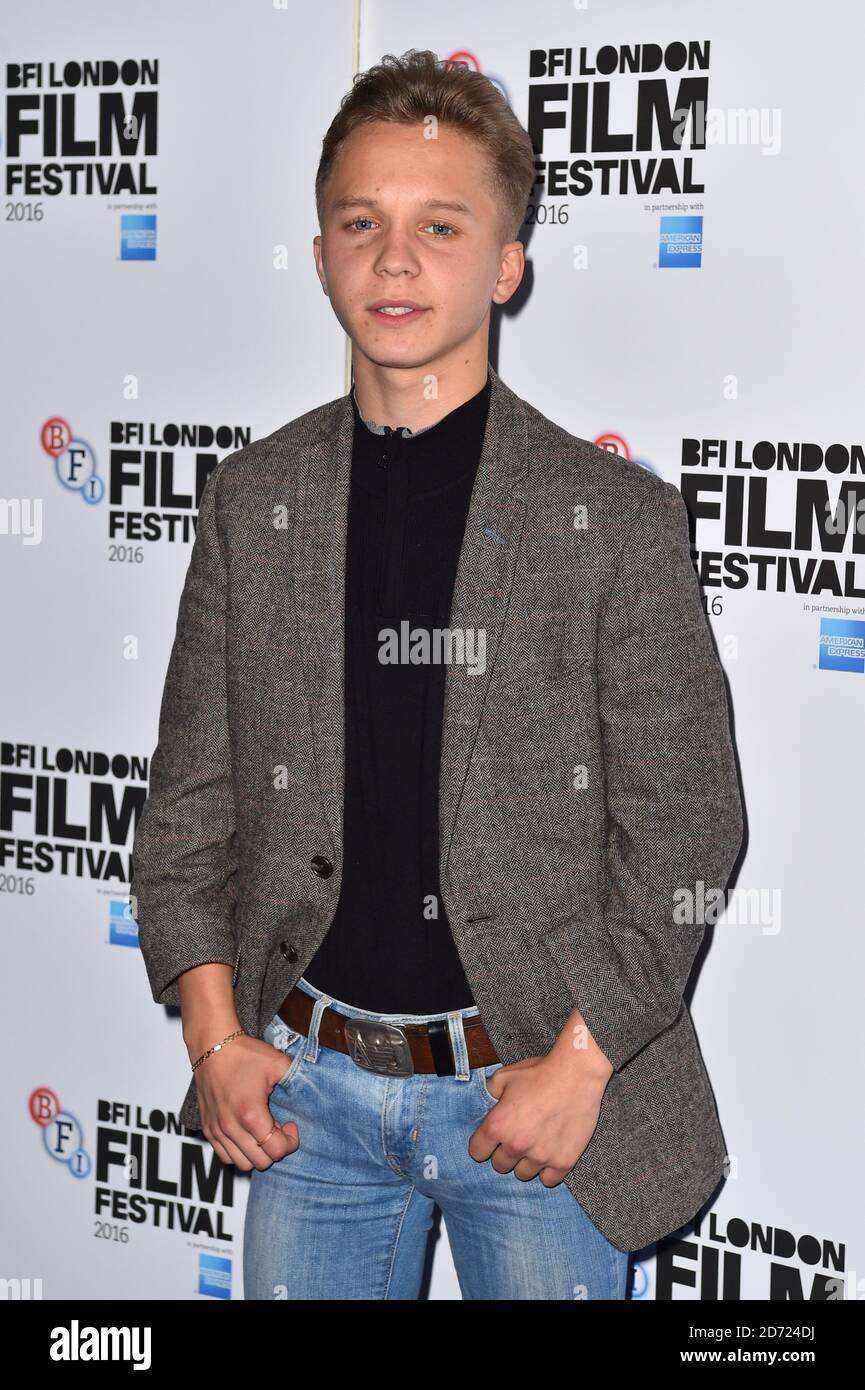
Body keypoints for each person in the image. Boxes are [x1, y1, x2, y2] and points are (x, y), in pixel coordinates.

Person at [131, 49, 744, 1301]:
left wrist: (582, 1066)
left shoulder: (610, 518)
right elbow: (188, 810)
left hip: (533, 1110)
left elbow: (688, 830)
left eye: (440, 226)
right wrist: (214, 1039)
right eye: (361, 223)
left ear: (507, 265)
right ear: (318, 255)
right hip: (304, 1103)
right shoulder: (254, 504)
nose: (395, 259)